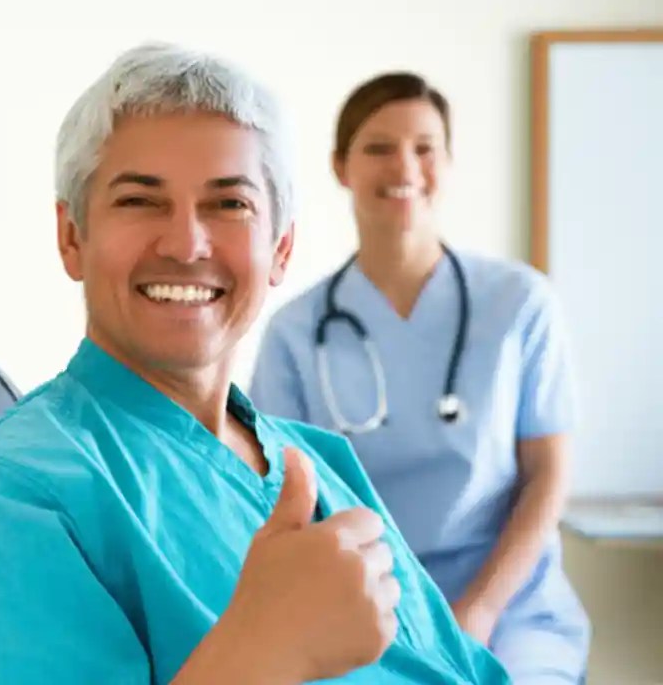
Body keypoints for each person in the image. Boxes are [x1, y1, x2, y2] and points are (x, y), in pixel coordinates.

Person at [0, 43, 510, 684]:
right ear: (72, 237)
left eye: (229, 204)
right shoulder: (11, 495)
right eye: (139, 201)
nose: (186, 244)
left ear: (281, 249)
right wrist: (264, 652)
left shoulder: (316, 463)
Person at [249, 72, 589, 683]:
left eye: (425, 146)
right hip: (361, 599)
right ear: (340, 167)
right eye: (378, 147)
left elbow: (548, 474)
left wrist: (480, 608)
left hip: (510, 604)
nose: (404, 165)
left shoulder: (520, 304)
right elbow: (285, 499)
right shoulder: (296, 333)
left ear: (448, 163)